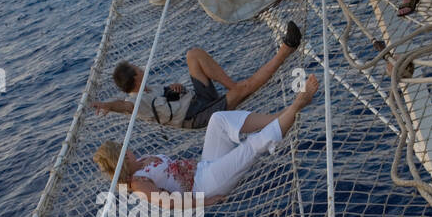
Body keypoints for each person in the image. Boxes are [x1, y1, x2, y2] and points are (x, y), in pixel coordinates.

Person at [93, 74, 320, 209]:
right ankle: (297, 106)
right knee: (250, 146)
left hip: (204, 167)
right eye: (124, 151)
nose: (129, 150)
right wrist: (206, 202)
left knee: (217, 120)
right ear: (121, 160)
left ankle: (277, 119)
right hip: (205, 187)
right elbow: (168, 203)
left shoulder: (141, 161)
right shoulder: (138, 183)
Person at [94, 27, 302, 131]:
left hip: (198, 100)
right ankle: (287, 49)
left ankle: (232, 87)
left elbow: (173, 101)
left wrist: (179, 88)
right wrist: (107, 106)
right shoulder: (136, 102)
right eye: (135, 67)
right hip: (196, 116)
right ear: (135, 75)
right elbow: (124, 106)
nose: (139, 67)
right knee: (244, 89)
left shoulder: (150, 89)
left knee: (193, 55)